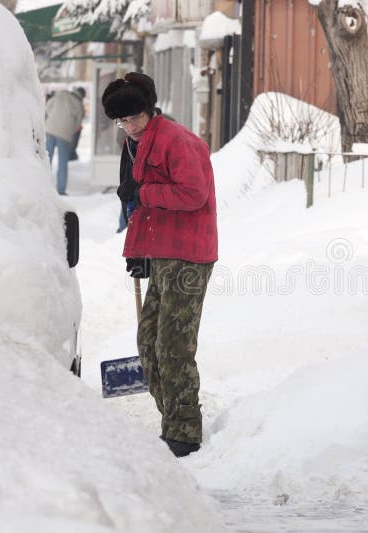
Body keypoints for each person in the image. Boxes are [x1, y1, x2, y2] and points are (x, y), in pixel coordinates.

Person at [102, 72, 218, 458]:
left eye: (135, 118)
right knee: (149, 342)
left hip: (189, 252)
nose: (130, 127)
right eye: (122, 121)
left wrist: (145, 191)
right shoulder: (134, 144)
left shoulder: (176, 141)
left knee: (173, 345)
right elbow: (136, 204)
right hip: (163, 249)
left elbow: (193, 194)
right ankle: (170, 421)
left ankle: (185, 432)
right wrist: (138, 251)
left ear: (149, 111)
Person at [45, 87, 85, 195]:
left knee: (46, 159)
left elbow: (47, 108)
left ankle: (43, 186)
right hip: (64, 134)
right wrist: (70, 131)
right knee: (62, 163)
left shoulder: (59, 95)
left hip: (50, 129)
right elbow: (78, 124)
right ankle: (61, 190)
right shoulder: (78, 104)